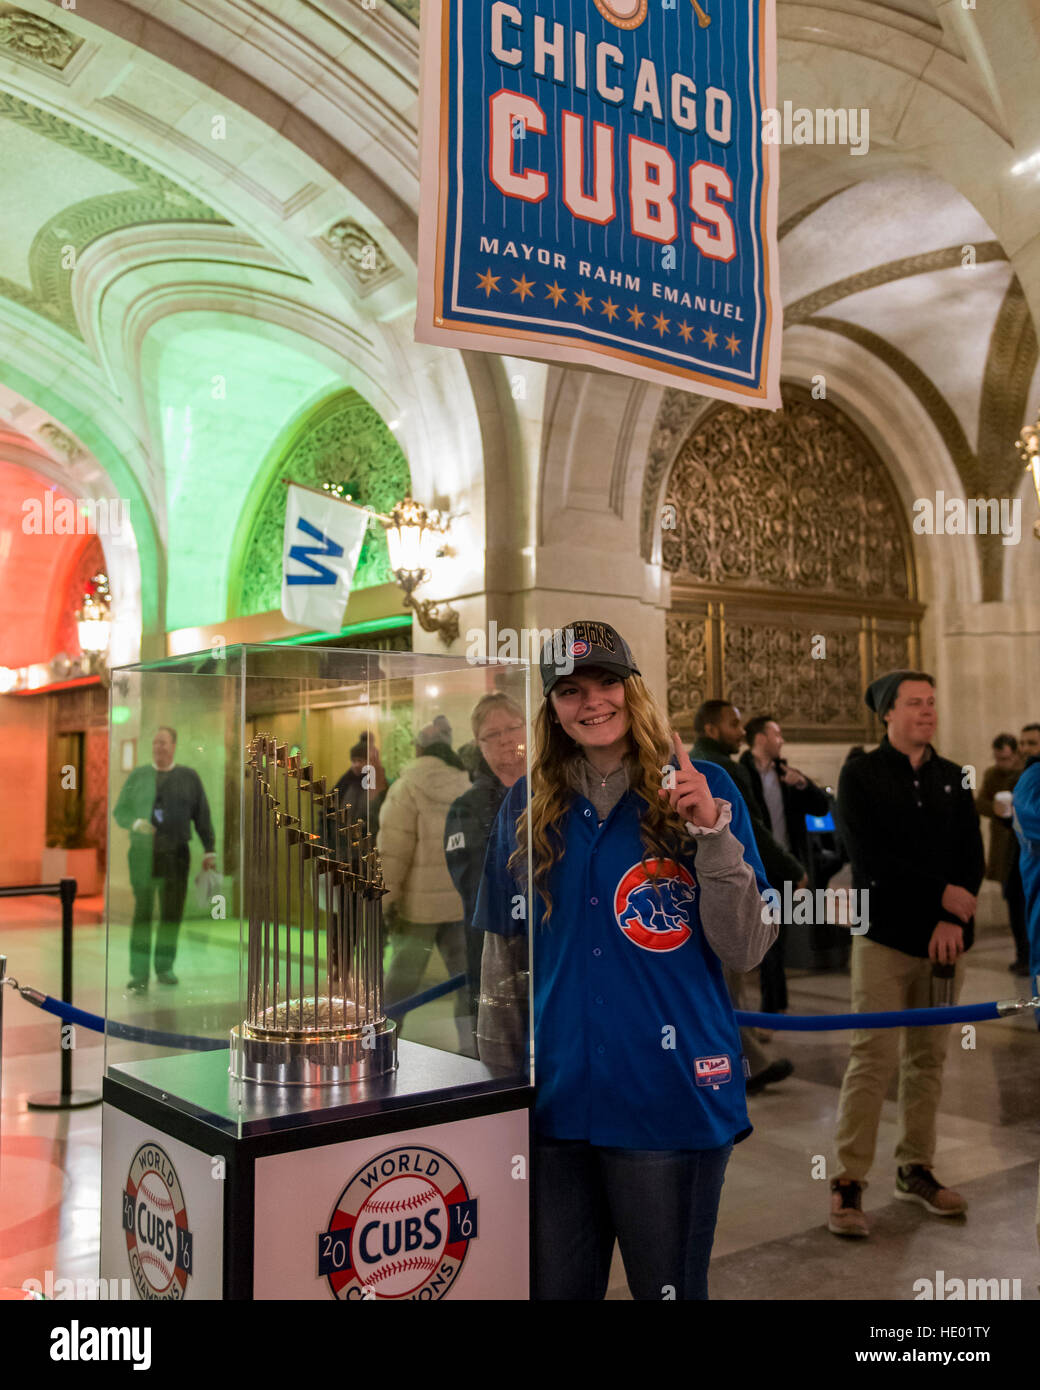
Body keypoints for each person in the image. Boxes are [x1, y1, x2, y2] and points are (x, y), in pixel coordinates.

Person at [474, 621, 774, 1301]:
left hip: (667, 1094)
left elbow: (747, 947)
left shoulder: (704, 784)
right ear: (551, 705)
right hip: (557, 1101)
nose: (593, 701)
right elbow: (502, 963)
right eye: (571, 689)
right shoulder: (526, 805)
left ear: (632, 688)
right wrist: (499, 1097)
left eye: (608, 681)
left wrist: (712, 837)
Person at [829, 670, 984, 1238]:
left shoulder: (951, 777)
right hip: (884, 940)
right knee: (872, 1059)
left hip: (944, 945)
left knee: (929, 1060)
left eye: (932, 703)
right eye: (916, 703)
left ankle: (914, 1167)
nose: (928, 712)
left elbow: (971, 855)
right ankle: (848, 1180)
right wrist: (937, 899)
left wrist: (951, 918)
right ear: (888, 713)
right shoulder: (861, 776)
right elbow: (872, 861)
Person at [691, 699, 802, 1091]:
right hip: (737, 889)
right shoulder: (719, 772)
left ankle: (747, 1063)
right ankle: (744, 1066)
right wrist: (790, 869)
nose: (742, 731)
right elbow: (749, 828)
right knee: (730, 986)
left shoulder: (713, 765)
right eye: (733, 725)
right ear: (710, 729)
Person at [377, 715, 472, 1051]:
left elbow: (393, 854)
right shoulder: (466, 783)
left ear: (418, 747)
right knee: (467, 984)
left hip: (418, 910)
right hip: (460, 904)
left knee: (398, 988)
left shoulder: (406, 788)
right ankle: (473, 1055)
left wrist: (383, 903)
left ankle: (380, 1049)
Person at [112, 726, 216, 992]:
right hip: (143, 856)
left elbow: (202, 815)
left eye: (164, 743)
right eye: (156, 743)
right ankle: (139, 974)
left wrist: (209, 849)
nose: (159, 747)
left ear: (174, 746)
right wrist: (136, 824)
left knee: (171, 915)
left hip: (176, 857)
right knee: (143, 914)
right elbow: (120, 811)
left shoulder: (188, 777)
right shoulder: (139, 775)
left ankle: (165, 967)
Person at [444, 693, 526, 1028]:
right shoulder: (466, 808)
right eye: (493, 734)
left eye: (513, 727)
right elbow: (476, 885)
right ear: (480, 744)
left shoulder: (555, 789)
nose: (506, 739)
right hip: (495, 949)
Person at [740, 715, 830, 1014]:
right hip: (756, 871)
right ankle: (771, 1009)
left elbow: (821, 807)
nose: (781, 740)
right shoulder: (742, 774)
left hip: (786, 867)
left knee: (777, 939)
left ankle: (776, 1007)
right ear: (761, 738)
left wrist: (802, 783)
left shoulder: (786, 774)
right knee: (767, 942)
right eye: (776, 734)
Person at [976, 733, 1028, 975]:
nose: (1001, 764)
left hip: (1025, 845)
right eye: (998, 759)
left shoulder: (1027, 774)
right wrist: (998, 810)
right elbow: (980, 802)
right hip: (1004, 845)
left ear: (1015, 755)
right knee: (1013, 902)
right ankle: (1022, 954)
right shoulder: (992, 775)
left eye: (1005, 759)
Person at [331, 733, 388, 838]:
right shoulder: (345, 783)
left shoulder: (378, 784)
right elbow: (329, 813)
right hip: (344, 844)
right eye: (354, 761)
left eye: (360, 761)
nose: (356, 765)